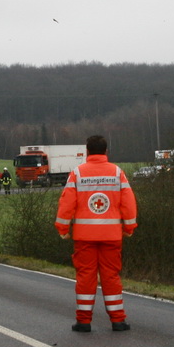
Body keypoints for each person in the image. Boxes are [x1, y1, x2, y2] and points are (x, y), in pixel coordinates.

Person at [54, 135, 137, 332]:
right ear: (106, 151)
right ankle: (118, 321)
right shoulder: (117, 173)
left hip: (84, 237)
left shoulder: (77, 174)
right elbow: (129, 203)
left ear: (87, 151)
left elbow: (66, 204)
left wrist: (63, 229)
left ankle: (83, 322)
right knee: (111, 277)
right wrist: (129, 227)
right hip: (111, 236)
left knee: (85, 277)